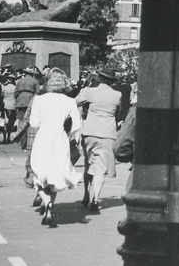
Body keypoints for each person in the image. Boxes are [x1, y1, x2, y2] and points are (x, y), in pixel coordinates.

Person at [29, 69, 82, 226]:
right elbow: (76, 125)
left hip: (43, 137)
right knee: (56, 172)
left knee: (41, 172)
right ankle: (50, 205)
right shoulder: (69, 101)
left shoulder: (39, 99)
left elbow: (34, 123)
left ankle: (47, 204)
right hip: (60, 138)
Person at [75, 70, 121, 213]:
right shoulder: (117, 94)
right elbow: (117, 112)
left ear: (99, 79)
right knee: (100, 167)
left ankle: (86, 195)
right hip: (108, 133)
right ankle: (96, 198)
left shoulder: (89, 92)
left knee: (89, 164)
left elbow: (75, 102)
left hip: (90, 131)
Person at [1, 75, 17, 144]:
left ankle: (4, 138)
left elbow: (1, 95)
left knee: (4, 122)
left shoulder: (4, 87)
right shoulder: (15, 88)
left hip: (5, 105)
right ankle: (8, 137)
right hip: (13, 105)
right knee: (11, 122)